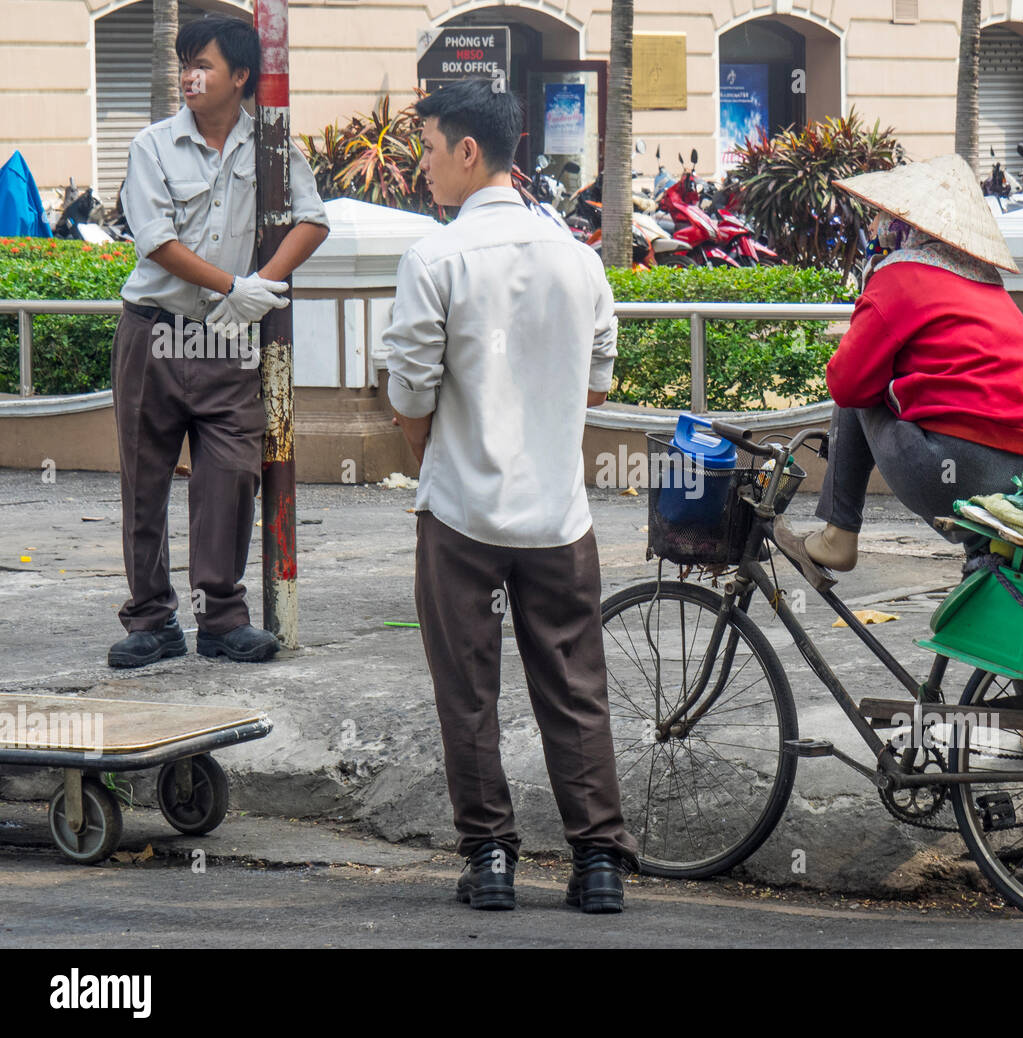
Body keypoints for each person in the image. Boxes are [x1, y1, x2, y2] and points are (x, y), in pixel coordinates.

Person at [382, 78, 638, 913]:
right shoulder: (580, 258)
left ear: (467, 151)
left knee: (469, 692)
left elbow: (411, 395)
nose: (421, 168)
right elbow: (596, 388)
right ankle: (599, 863)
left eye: (427, 149)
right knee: (574, 687)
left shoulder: (434, 258)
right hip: (559, 518)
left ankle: (489, 857)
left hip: (459, 511)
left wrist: (433, 457)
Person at [107, 17, 329, 668]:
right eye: (183, 64)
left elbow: (312, 221)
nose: (189, 76)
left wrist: (262, 282)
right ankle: (151, 621)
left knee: (230, 477)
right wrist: (235, 284)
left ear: (240, 76)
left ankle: (221, 619)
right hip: (155, 332)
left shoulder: (271, 144)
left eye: (202, 64)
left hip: (229, 342)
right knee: (144, 483)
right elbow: (155, 241)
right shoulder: (153, 145)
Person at [774, 154, 1023, 589]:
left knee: (854, 398)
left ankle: (837, 535)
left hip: (956, 468)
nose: (872, 229)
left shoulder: (899, 276)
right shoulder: (986, 284)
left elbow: (845, 382)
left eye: (878, 218)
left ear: (900, 227)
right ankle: (980, 563)